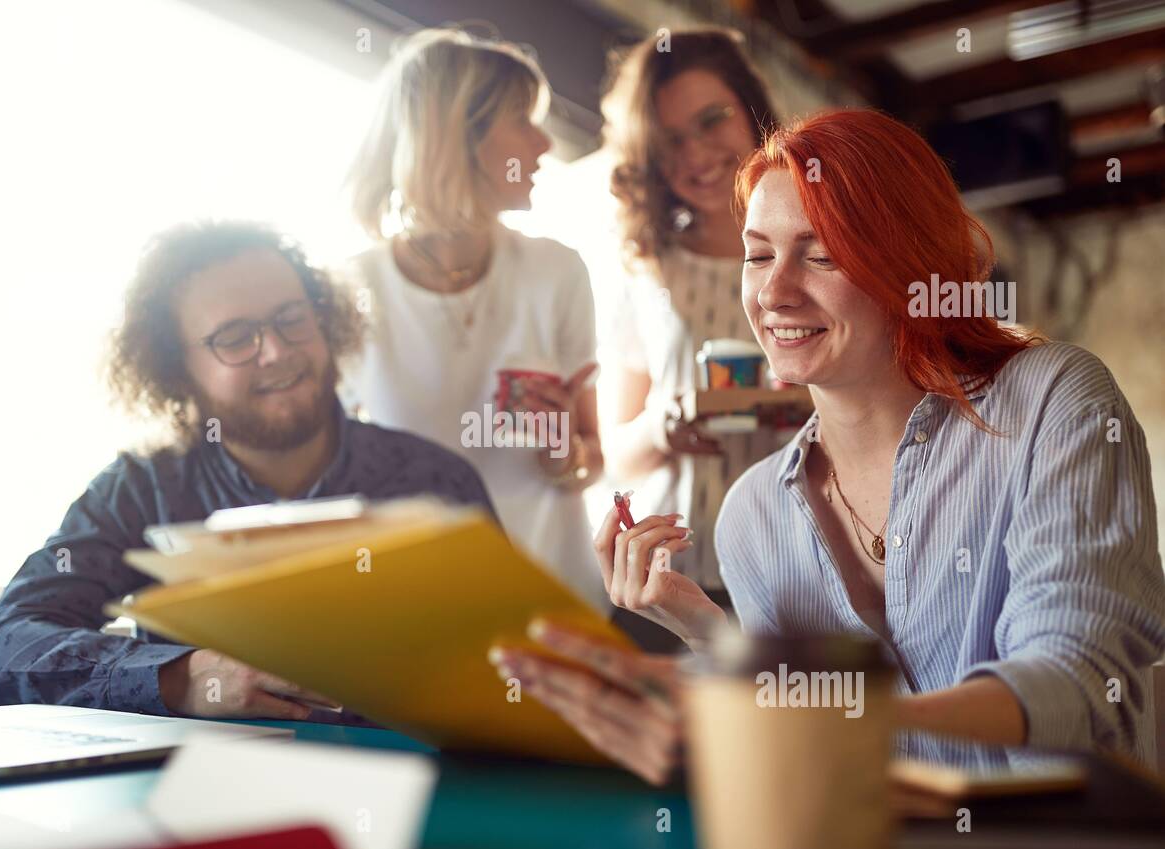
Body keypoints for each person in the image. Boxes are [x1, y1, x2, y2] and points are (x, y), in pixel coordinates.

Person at [491, 109, 1165, 783]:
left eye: (821, 255)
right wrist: (709, 635)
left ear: (909, 261)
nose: (776, 292)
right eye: (757, 255)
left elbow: (1081, 679)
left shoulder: (1054, 401)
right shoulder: (752, 516)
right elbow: (816, 757)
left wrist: (836, 715)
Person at [0, 220, 496, 722]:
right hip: (204, 796)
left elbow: (512, 675)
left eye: (292, 318)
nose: (276, 352)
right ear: (177, 369)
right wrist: (182, 678)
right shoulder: (140, 490)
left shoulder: (436, 481)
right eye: (235, 337)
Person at [340, 28, 608, 610]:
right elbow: (325, 484)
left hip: (557, 605)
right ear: (455, 136)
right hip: (416, 611)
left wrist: (563, 452)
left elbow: (592, 457)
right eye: (522, 119)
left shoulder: (556, 270)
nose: (542, 144)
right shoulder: (353, 290)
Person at [598, 27, 788, 606]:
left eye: (711, 121)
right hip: (670, 579)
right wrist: (664, 424)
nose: (697, 156)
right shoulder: (646, 270)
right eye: (671, 141)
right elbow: (615, 452)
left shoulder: (829, 249)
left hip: (798, 566)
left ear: (753, 114)